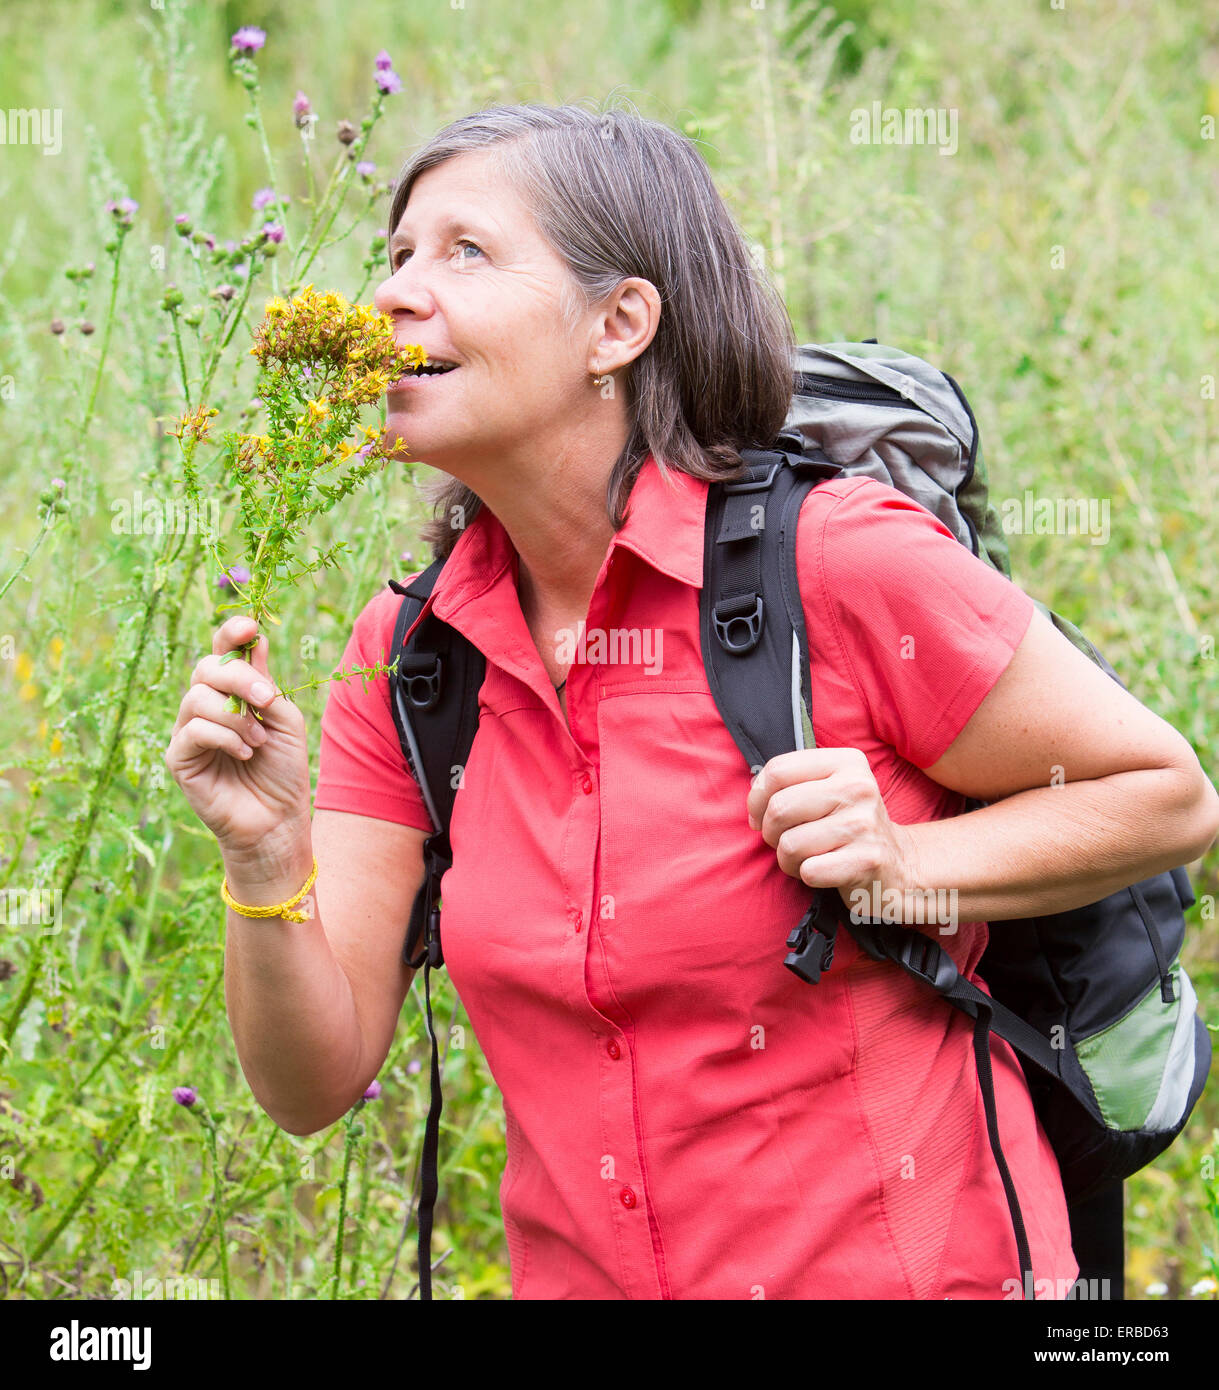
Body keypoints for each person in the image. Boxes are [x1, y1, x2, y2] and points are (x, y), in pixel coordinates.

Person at [166, 103, 1219, 1300]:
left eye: (465, 251)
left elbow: (1164, 794)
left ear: (618, 324)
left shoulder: (834, 564)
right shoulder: (411, 658)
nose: (395, 292)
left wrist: (906, 860)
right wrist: (263, 859)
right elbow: (310, 1087)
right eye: (396, 253)